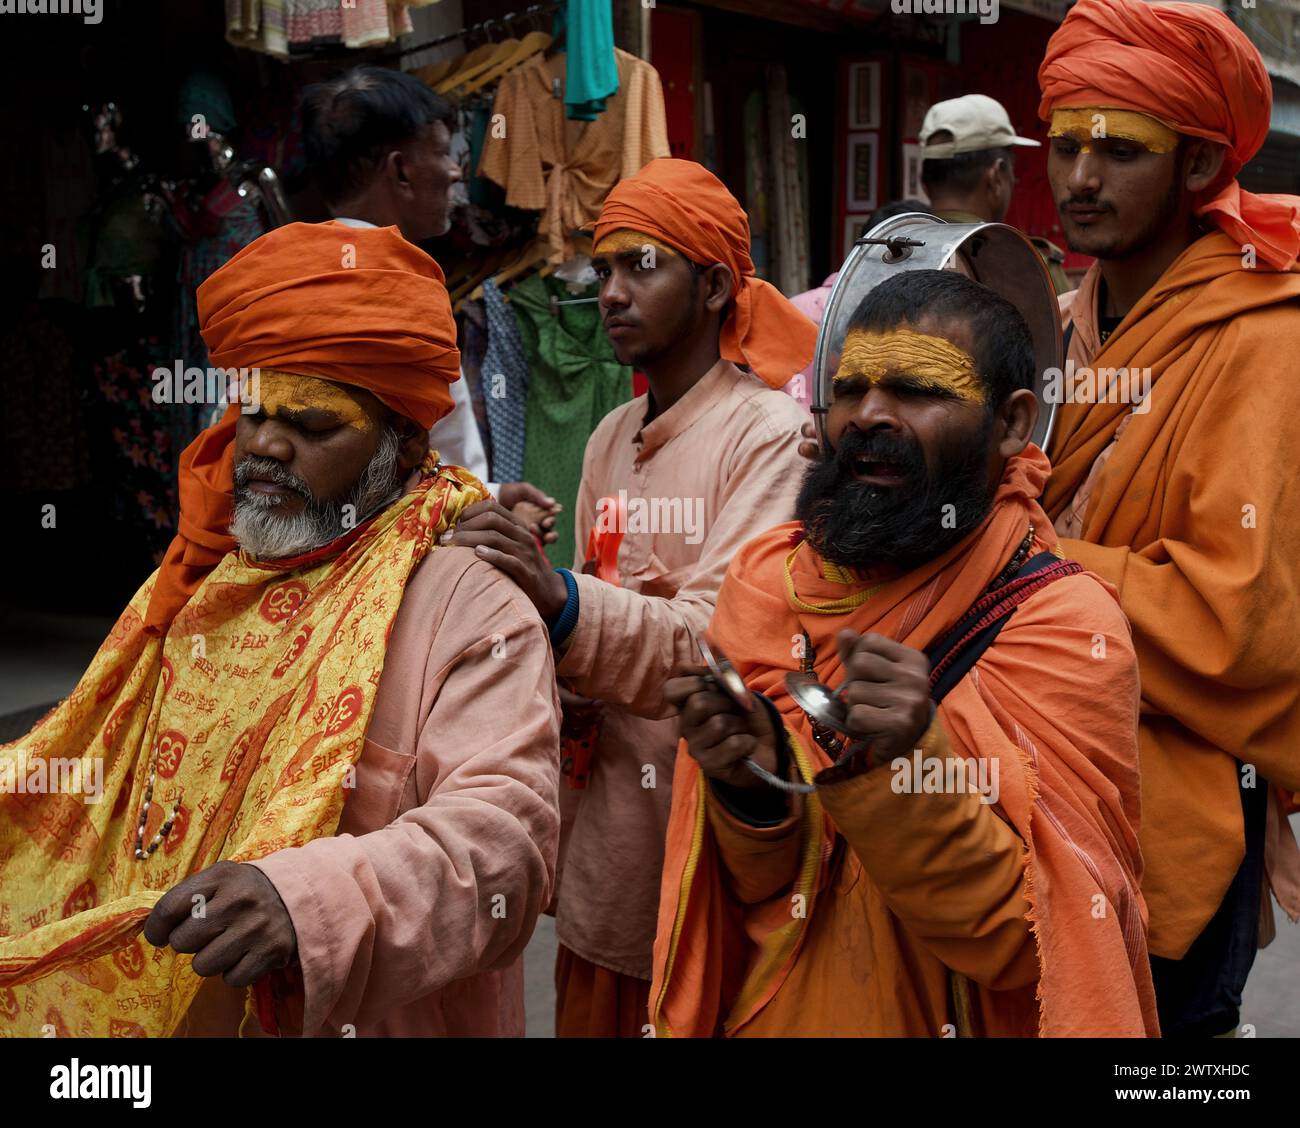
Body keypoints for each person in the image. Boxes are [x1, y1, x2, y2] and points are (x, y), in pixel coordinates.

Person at [0, 222, 560, 1038]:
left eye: (315, 426)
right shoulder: (214, 578)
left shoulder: (472, 608)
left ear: (405, 445)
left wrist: (308, 902)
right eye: (255, 412)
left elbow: (506, 845)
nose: (263, 445)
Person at [652, 269, 1158, 1037]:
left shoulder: (1062, 621)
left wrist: (907, 767)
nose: (868, 417)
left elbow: (1029, 946)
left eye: (919, 390)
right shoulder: (768, 581)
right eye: (849, 389)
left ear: (1013, 423)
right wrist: (754, 783)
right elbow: (759, 892)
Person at [448, 158, 815, 1036]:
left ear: (718, 285)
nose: (611, 292)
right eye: (603, 270)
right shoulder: (613, 433)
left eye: (642, 266)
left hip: (701, 839)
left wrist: (561, 598)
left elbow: (715, 650)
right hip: (607, 834)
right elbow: (597, 612)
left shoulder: (772, 437)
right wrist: (527, 601)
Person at [1036, 0, 1300, 1037]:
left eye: (1119, 152)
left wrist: (1024, 560)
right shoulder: (1054, 324)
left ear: (1199, 168)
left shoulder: (1262, 340)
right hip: (1022, 806)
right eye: (1063, 146)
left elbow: (1232, 619)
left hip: (1179, 825)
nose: (1079, 180)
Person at [301, 65, 560, 540]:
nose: (457, 169)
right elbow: (436, 463)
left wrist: (496, 495)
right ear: (401, 170)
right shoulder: (406, 294)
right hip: (379, 566)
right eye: (443, 153)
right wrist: (492, 511)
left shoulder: (278, 276)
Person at [920, 93, 1070, 294]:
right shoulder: (1031, 267)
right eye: (1011, 172)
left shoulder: (891, 252)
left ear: (923, 183)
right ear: (996, 176)